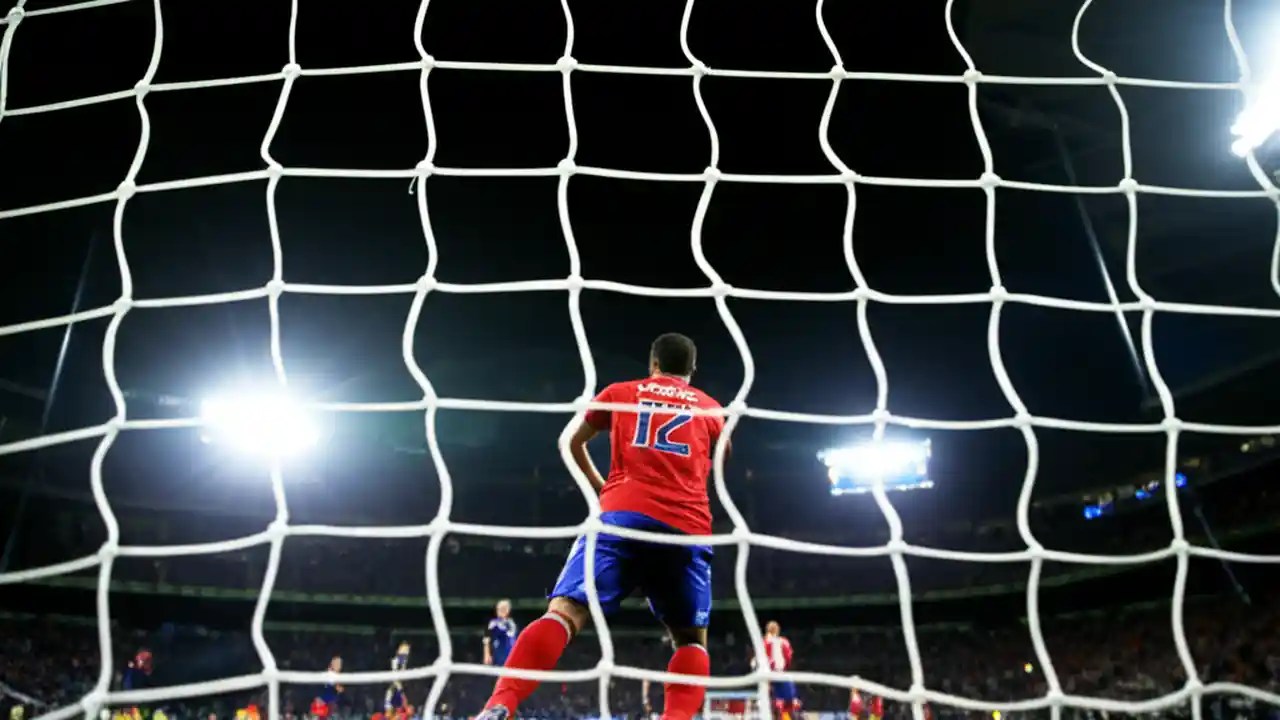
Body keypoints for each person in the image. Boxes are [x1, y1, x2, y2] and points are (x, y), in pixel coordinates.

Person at [474, 333, 726, 720]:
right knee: (690, 640)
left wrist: (602, 487)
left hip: (620, 517)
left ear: (652, 364)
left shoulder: (621, 391)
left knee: (564, 613)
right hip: (686, 526)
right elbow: (719, 463)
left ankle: (500, 704)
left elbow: (570, 443)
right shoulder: (712, 410)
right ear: (692, 371)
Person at [762, 621, 800, 720]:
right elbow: (789, 657)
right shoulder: (784, 642)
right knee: (788, 706)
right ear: (778, 630)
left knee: (773, 705)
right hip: (781, 674)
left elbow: (761, 660)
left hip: (768, 676)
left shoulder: (764, 642)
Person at [483, 600, 518, 667]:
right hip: (499, 659)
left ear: (508, 610)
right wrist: (486, 654)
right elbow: (486, 639)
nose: (500, 611)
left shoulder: (512, 623)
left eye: (503, 608)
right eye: (498, 609)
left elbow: (514, 639)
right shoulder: (493, 623)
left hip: (512, 659)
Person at [385, 641, 410, 714]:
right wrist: (400, 690)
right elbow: (394, 677)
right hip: (393, 690)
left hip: (405, 691)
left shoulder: (408, 662)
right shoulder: (393, 661)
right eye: (403, 650)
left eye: (407, 650)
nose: (405, 652)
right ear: (398, 650)